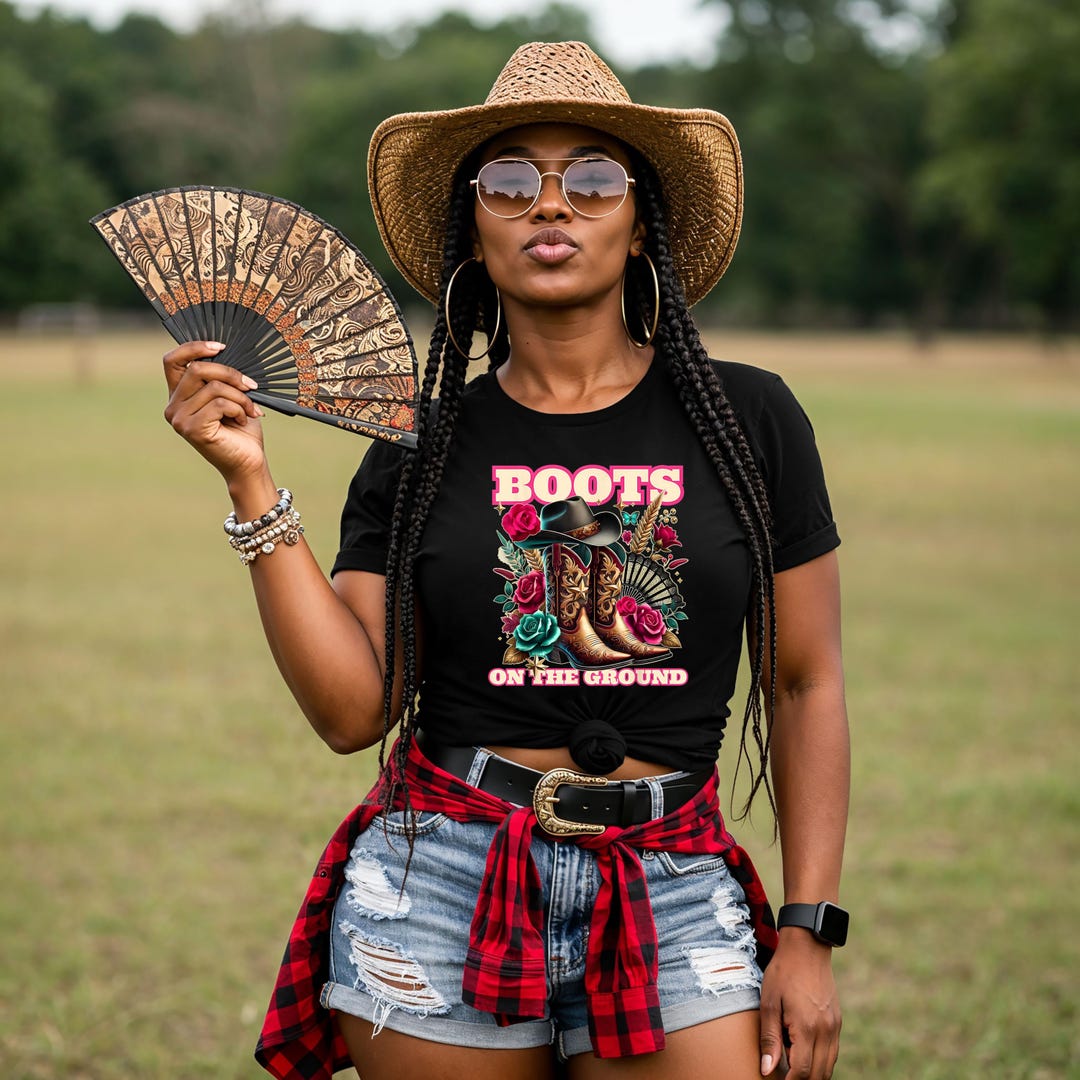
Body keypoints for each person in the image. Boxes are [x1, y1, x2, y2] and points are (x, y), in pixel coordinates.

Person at [162, 40, 849, 1080]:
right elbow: (354, 713)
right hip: (443, 877)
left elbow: (805, 682)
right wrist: (250, 482)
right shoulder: (420, 446)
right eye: (512, 181)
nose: (552, 206)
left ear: (642, 221)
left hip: (669, 875)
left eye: (595, 179)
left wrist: (806, 927)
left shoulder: (750, 420)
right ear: (473, 228)